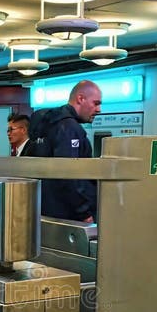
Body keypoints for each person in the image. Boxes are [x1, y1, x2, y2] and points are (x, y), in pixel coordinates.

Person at [33, 80, 102, 222]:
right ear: (80, 99)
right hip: (71, 215)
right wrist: (83, 212)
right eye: (96, 103)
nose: (99, 109)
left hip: (49, 211)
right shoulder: (69, 128)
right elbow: (68, 174)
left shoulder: (49, 123)